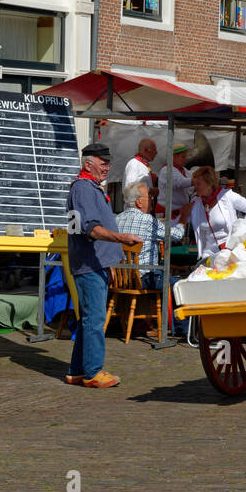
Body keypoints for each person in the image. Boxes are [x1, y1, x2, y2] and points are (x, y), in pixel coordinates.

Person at [65, 142, 142, 388]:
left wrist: (107, 260)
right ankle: (93, 372)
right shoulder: (84, 189)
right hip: (88, 264)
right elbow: (91, 229)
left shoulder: (86, 188)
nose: (107, 167)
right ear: (88, 163)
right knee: (94, 320)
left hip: (92, 263)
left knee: (88, 319)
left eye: (108, 162)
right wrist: (122, 238)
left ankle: (77, 371)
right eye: (103, 162)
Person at [115, 180, 185, 289]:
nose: (152, 199)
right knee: (183, 284)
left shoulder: (117, 219)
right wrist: (183, 219)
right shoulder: (148, 220)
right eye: (149, 197)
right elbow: (177, 235)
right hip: (143, 279)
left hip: (120, 279)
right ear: (139, 202)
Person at [190, 166, 246, 261]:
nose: (195, 188)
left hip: (229, 251)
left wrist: (240, 233)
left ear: (209, 184)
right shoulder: (197, 203)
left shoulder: (227, 196)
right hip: (208, 254)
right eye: (195, 184)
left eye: (198, 184)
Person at [157, 143, 195, 223]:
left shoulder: (183, 170)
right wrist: (199, 181)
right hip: (167, 213)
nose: (185, 160)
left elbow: (190, 186)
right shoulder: (166, 169)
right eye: (183, 157)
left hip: (177, 213)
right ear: (174, 157)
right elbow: (180, 182)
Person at [122, 137, 158, 206]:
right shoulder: (134, 164)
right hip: (135, 209)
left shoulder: (143, 164)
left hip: (143, 208)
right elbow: (129, 188)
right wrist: (150, 190)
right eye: (154, 150)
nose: (156, 153)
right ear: (146, 150)